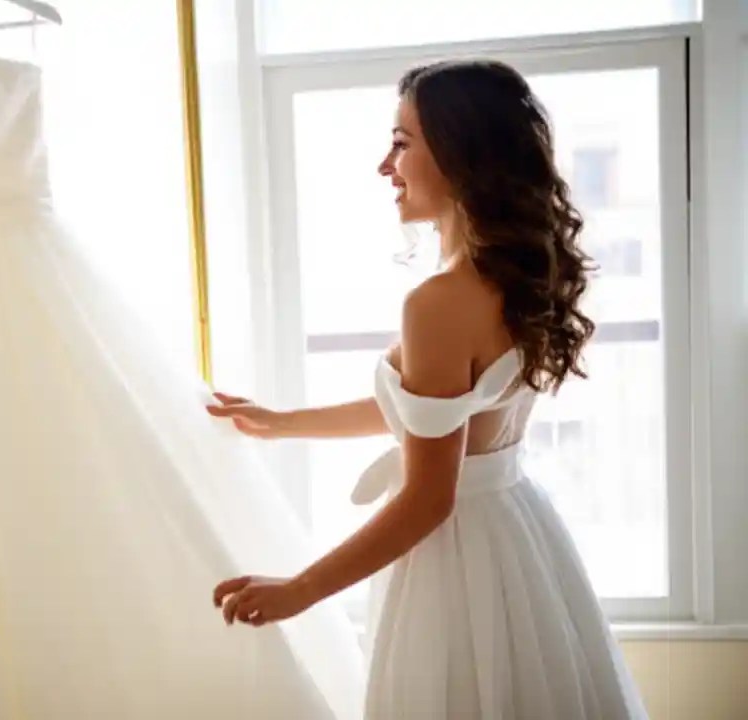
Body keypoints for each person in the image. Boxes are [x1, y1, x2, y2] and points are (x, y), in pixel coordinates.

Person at [208, 59, 649, 719]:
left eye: (401, 143)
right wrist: (281, 421)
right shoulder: (523, 273)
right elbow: (435, 419)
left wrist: (298, 591)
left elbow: (427, 499)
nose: (386, 166)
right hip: (517, 533)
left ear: (459, 152)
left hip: (457, 559)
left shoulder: (439, 301)